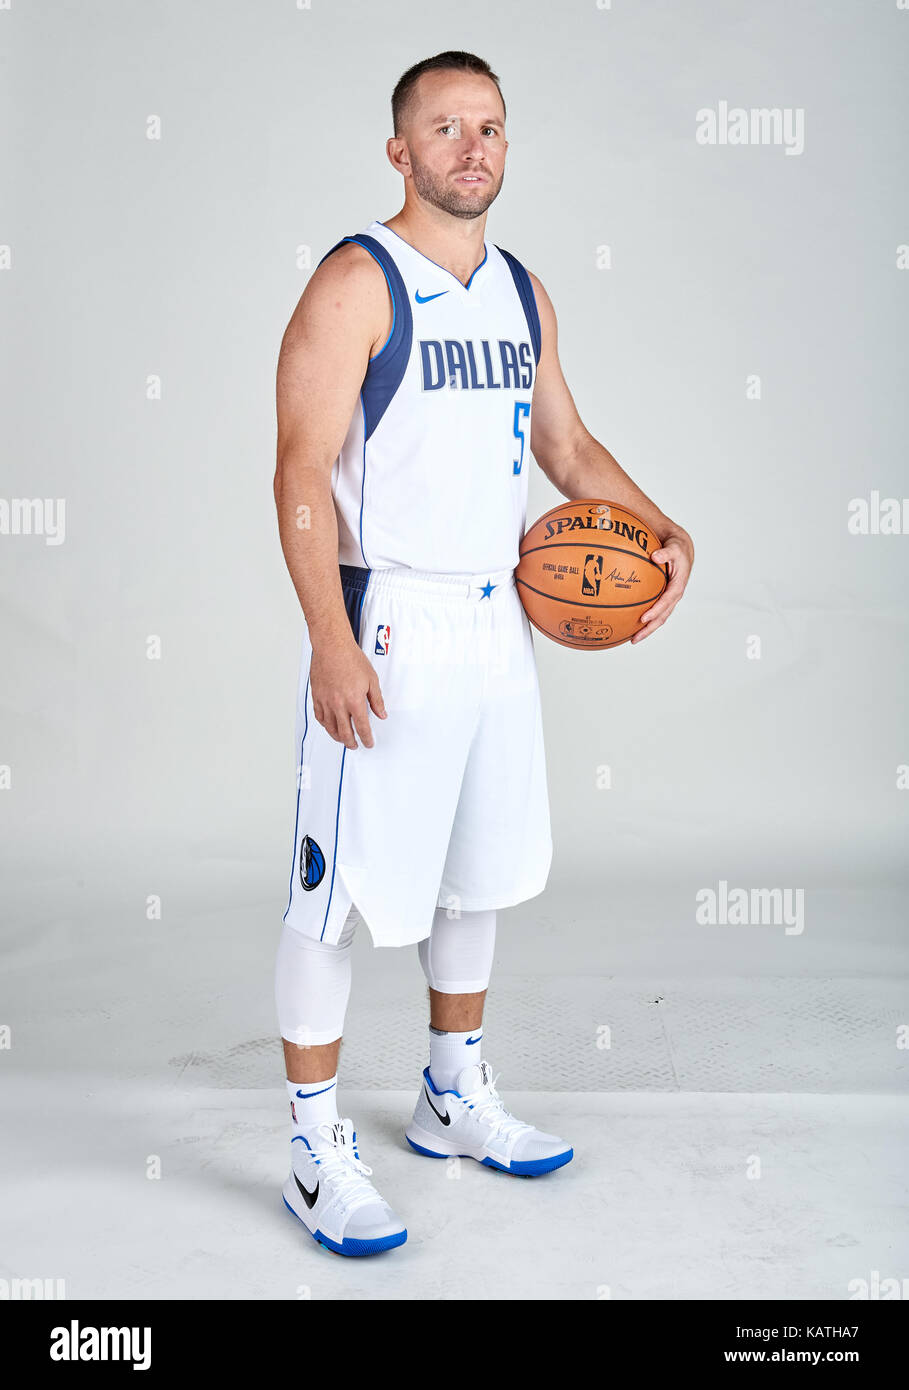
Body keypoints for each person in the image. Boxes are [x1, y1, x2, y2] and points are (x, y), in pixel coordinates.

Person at [272, 50, 694, 1258]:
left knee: (477, 873)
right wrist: (329, 639)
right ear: (399, 153)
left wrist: (660, 529)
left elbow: (565, 446)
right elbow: (300, 473)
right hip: (387, 620)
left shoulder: (521, 290)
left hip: (495, 618)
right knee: (339, 894)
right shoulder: (356, 282)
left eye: (491, 128)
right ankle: (311, 1147)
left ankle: (449, 1094)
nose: (472, 147)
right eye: (445, 128)